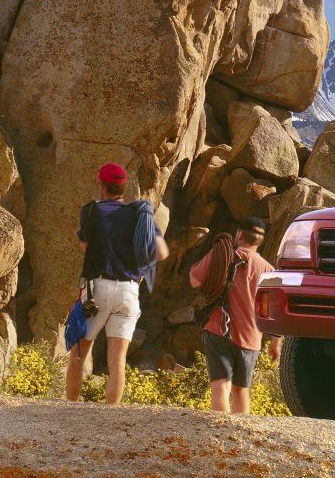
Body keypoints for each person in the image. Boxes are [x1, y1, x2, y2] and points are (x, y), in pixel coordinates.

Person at [67, 162, 169, 404]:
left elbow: (85, 246)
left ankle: (69, 410)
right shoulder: (139, 215)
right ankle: (111, 415)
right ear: (124, 186)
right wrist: (140, 268)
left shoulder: (91, 211)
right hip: (129, 291)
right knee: (118, 361)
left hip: (98, 289)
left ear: (100, 184)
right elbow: (162, 252)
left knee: (78, 355)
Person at [189, 215, 280, 413]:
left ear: (239, 234)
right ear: (260, 240)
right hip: (251, 338)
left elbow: (195, 280)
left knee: (220, 385)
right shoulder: (270, 272)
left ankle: (220, 434)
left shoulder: (223, 255)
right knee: (241, 391)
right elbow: (274, 311)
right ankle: (238, 436)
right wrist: (275, 343)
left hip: (218, 329)